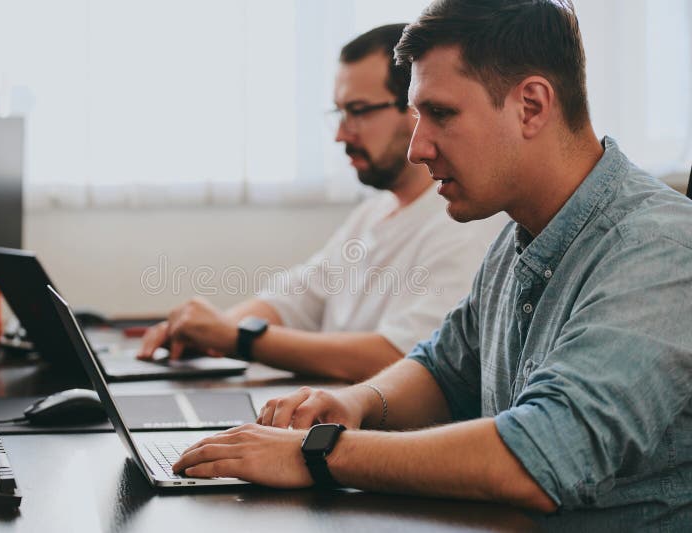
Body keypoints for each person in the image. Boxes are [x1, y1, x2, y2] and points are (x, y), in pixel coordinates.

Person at [171, 0, 692, 526]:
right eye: (417, 116)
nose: (418, 148)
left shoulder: (659, 249)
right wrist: (356, 404)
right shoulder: (519, 234)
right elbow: (444, 370)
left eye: (440, 114)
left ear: (531, 106)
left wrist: (317, 453)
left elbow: (539, 457)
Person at [137, 24, 506, 382]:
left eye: (358, 111)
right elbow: (296, 299)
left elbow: (402, 359)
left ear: (414, 108)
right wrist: (205, 331)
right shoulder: (373, 214)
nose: (341, 134)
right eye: (340, 113)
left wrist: (237, 339)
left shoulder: (465, 225)